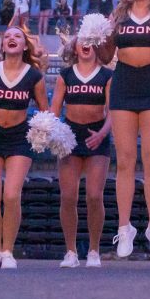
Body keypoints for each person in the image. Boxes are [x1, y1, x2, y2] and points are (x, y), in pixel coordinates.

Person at [103, 0, 150, 259]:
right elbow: (106, 58)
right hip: (124, 85)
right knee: (125, 160)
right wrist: (101, 37)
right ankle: (125, 225)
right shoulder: (116, 18)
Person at [0, 23, 47, 269]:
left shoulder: (34, 76)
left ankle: (8, 251)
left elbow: (45, 113)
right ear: (2, 45)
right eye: (7, 36)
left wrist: (42, 132)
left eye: (17, 36)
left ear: (25, 45)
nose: (12, 39)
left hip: (19, 139)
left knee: (12, 195)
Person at [52, 36, 113, 268]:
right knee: (68, 197)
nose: (86, 45)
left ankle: (94, 250)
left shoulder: (107, 75)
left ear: (96, 46)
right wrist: (51, 131)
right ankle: (71, 251)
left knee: (94, 195)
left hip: (97, 135)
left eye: (90, 41)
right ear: (75, 48)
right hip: (70, 136)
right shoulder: (65, 75)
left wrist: (103, 133)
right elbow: (54, 110)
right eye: (81, 41)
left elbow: (113, 110)